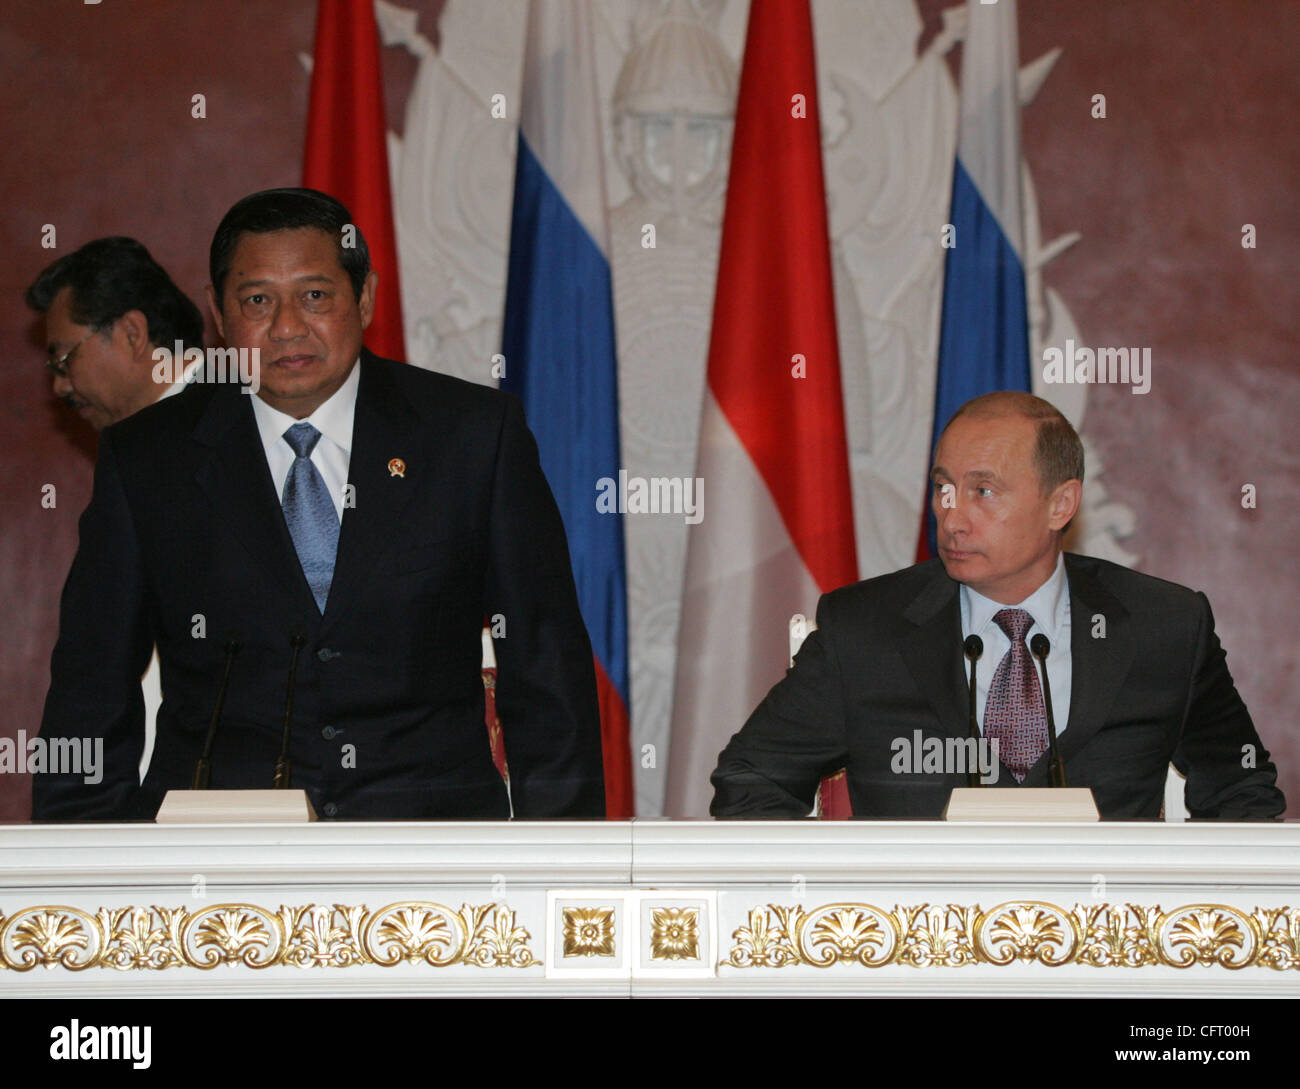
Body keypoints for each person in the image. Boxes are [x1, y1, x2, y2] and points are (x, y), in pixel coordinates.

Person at [33, 187, 604, 821]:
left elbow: (545, 664)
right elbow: (91, 689)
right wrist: (84, 875)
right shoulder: (147, 458)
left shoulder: (470, 435)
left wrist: (564, 860)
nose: (286, 327)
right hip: (217, 860)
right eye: (256, 300)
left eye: (314, 295)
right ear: (218, 315)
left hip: (433, 852)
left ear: (364, 299)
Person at [710, 391, 1285, 820]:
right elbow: (750, 779)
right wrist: (840, 908)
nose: (952, 516)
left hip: (1104, 957)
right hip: (918, 958)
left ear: (1061, 503)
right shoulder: (864, 631)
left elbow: (1241, 790)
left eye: (983, 492)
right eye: (944, 489)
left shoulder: (1165, 628)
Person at [26, 237, 205, 430]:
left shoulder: (231, 425)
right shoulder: (142, 438)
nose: (59, 387)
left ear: (132, 334)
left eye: (66, 360)